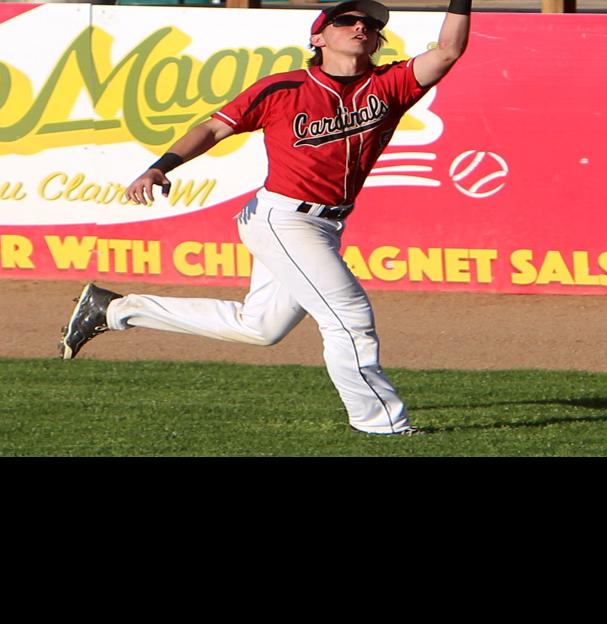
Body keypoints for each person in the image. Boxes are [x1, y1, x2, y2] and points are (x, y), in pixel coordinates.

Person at [59, 0, 472, 436]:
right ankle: (381, 423)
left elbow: (447, 50)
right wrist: (162, 165)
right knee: (348, 316)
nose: (360, 27)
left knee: (259, 327)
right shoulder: (282, 88)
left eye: (369, 24)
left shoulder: (390, 85)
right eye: (346, 20)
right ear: (317, 37)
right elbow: (214, 128)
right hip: (283, 219)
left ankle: (114, 309)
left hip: (326, 224)